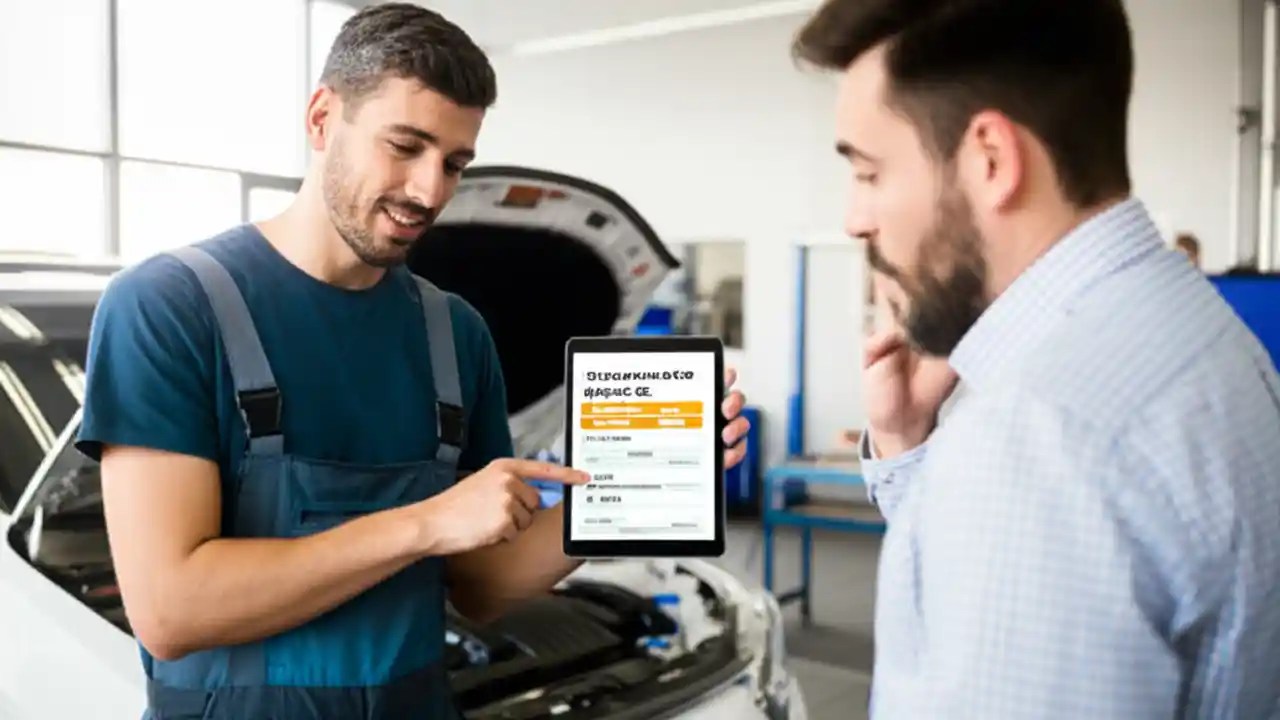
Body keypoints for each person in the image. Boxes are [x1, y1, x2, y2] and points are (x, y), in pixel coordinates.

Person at [76, 4, 751, 719]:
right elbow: (172, 610)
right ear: (321, 119)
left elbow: (481, 586)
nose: (430, 191)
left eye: (455, 162)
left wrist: (641, 488)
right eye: (404, 145)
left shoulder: (454, 333)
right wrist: (423, 523)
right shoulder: (169, 307)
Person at [793, 0, 1280, 717]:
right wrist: (905, 443)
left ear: (992, 160)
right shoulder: (1199, 331)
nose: (853, 219)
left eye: (868, 173)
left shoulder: (1033, 443)